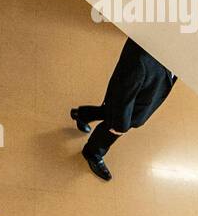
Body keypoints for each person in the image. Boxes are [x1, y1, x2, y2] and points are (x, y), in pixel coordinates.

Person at [71, 37, 176, 180]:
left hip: (141, 97)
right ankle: (92, 152)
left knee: (110, 112)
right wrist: (121, 126)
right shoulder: (142, 58)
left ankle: (82, 114)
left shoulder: (176, 49)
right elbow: (124, 93)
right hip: (128, 101)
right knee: (113, 126)